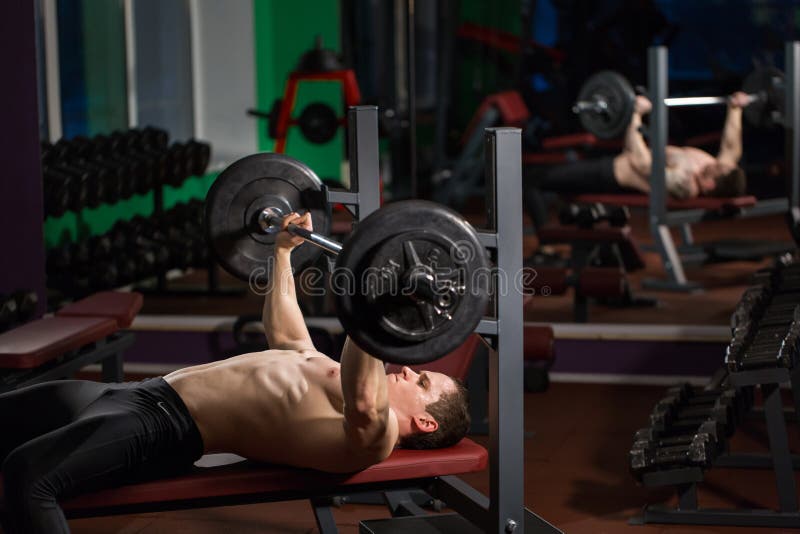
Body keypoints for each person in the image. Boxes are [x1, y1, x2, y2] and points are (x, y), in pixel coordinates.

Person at [0, 212, 470, 534]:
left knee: (29, 476)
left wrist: (380, 309)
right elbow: (288, 338)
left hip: (163, 427)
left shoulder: (375, 437)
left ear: (425, 422)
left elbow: (365, 400)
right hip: (133, 394)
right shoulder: (338, 375)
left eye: (423, 382)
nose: (410, 370)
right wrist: (282, 253)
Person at [524, 92, 751, 229]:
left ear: (710, 185)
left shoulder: (684, 183)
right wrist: (736, 108)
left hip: (609, 175)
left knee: (531, 180)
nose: (718, 163)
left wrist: (636, 114)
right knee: (538, 175)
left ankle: (546, 244)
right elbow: (731, 147)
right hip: (610, 159)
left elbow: (640, 161)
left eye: (718, 169)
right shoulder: (717, 169)